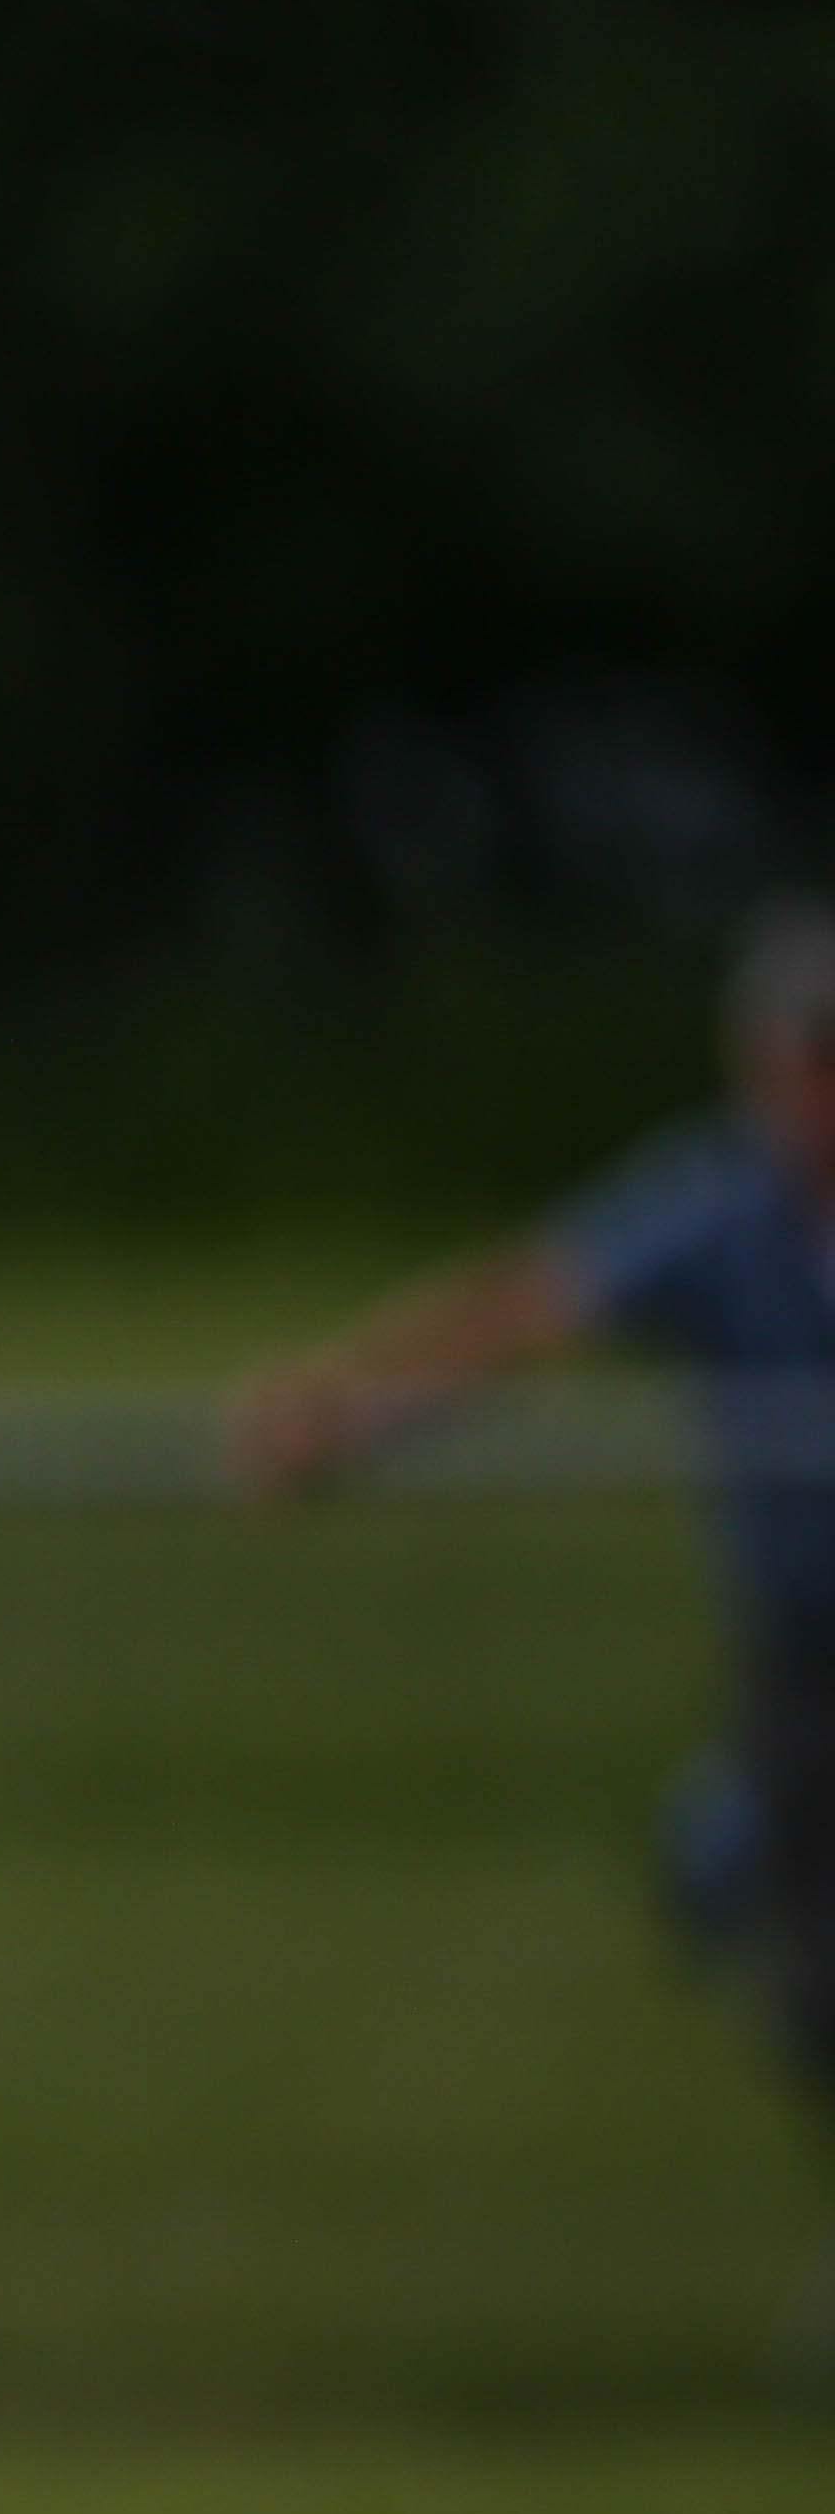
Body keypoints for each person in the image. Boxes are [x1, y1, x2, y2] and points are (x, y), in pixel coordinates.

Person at [242, 897, 835, 2285]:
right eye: (796, 1059)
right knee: (810, 1975)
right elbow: (528, 1305)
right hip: (805, 1657)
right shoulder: (724, 1206)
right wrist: (346, 1414)